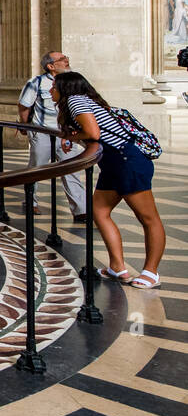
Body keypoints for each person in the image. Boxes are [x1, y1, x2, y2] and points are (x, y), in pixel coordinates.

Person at [53, 71, 164, 289]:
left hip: (127, 160)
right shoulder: (82, 101)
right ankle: (117, 266)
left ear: (65, 88)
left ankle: (151, 272)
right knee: (99, 211)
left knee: (148, 218)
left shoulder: (75, 100)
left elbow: (93, 133)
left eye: (54, 87)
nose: (51, 90)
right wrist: (72, 136)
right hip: (114, 163)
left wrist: (72, 137)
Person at [17, 51, 86, 221]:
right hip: (42, 131)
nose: (67, 60)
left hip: (66, 133)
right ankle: (30, 201)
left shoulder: (73, 81)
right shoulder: (37, 82)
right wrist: (25, 125)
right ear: (51, 66)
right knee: (36, 168)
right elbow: (24, 105)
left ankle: (81, 210)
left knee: (71, 169)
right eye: (62, 59)